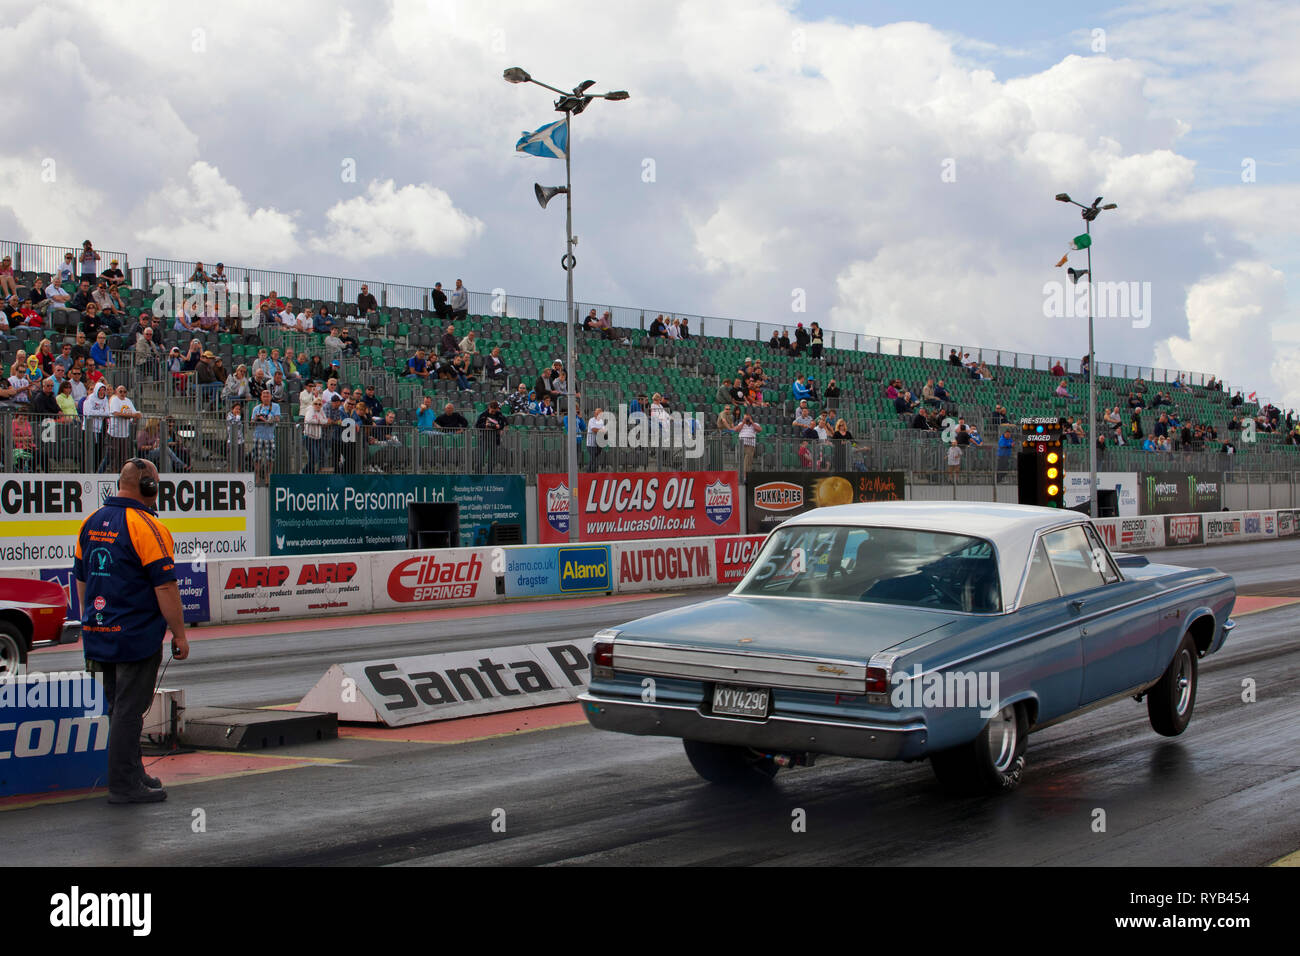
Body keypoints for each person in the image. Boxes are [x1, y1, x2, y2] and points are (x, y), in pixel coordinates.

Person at [74, 458, 190, 804]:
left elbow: (81, 580)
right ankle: (123, 785)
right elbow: (165, 587)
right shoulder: (147, 526)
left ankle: (132, 771)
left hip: (99, 632)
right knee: (130, 709)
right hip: (135, 635)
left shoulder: (90, 522)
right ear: (149, 487)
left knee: (117, 707)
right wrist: (180, 635)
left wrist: (89, 621)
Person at [475, 400, 507, 472]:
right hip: (484, 438)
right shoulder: (483, 414)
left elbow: (503, 424)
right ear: (489, 407)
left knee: (492, 459)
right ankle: (477, 474)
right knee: (481, 458)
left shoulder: (499, 414)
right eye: (492, 411)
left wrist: (499, 427)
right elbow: (476, 425)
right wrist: (485, 425)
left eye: (494, 411)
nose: (493, 412)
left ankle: (490, 474)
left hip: (495, 439)